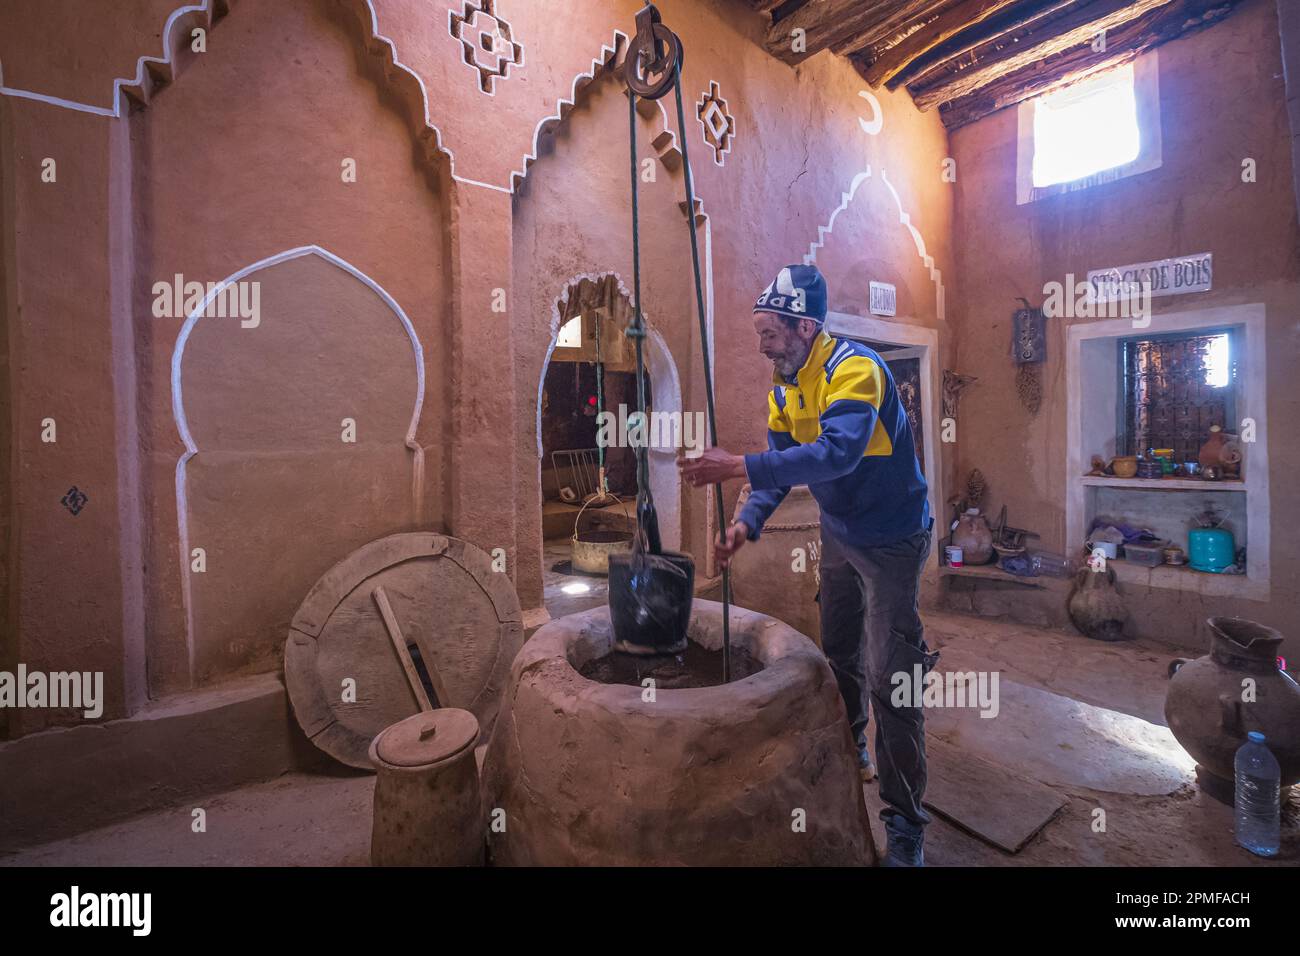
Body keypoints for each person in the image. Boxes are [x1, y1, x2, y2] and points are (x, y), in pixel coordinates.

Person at [678, 264, 936, 866]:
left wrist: (737, 467)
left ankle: (905, 827)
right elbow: (785, 461)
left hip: (893, 538)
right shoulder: (784, 387)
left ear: (804, 326)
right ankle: (852, 749)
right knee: (839, 648)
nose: (762, 344)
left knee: (891, 674)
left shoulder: (856, 370)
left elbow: (837, 455)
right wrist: (746, 523)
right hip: (841, 532)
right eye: (759, 332)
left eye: (770, 332)